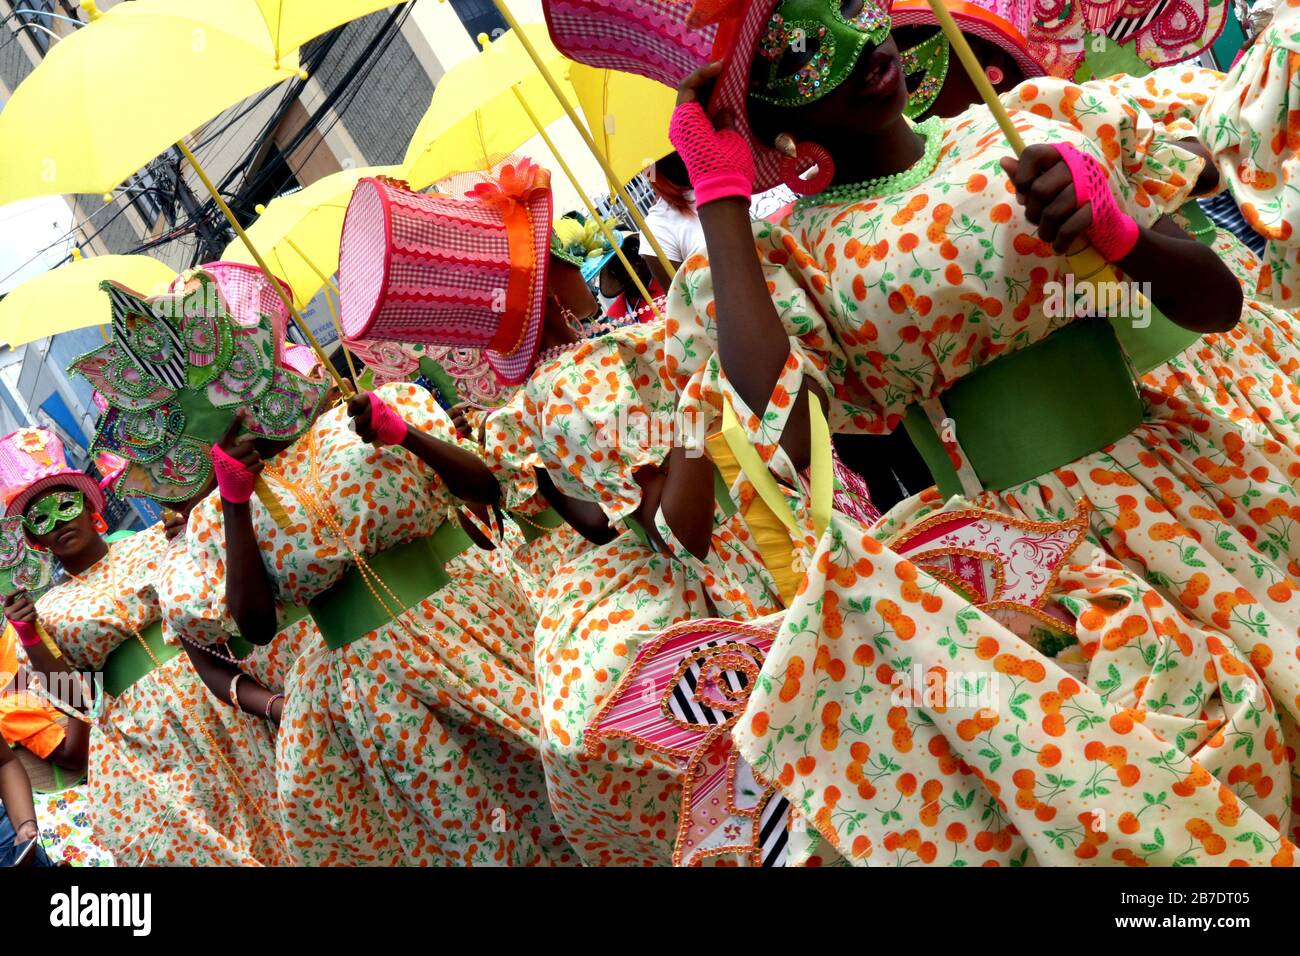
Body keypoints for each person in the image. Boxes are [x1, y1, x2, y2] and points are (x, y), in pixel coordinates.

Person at [566, 0, 1297, 863]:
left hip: (1195, 493)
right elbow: (784, 434)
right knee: (1166, 814)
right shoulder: (794, 258)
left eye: (847, 6)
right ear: (773, 126)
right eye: (797, 52)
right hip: (1019, 577)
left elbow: (1215, 301)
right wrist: (723, 200)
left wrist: (1122, 235)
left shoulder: (1035, 122)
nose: (856, 43)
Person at [0, 425, 285, 866]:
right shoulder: (48, 609)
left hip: (218, 693)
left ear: (92, 506)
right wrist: (31, 635)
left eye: (65, 505)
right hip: (145, 741)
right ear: (34, 540)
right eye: (41, 519)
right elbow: (79, 702)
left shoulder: (154, 542)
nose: (57, 523)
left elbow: (215, 603)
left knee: (276, 807)